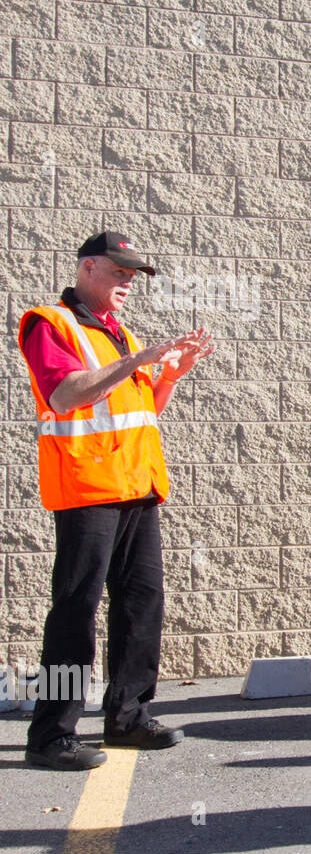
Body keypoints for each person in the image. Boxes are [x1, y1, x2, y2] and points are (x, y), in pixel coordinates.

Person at [17, 232, 213, 770]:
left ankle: (128, 717)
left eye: (133, 275)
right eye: (119, 272)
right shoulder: (50, 324)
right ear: (87, 269)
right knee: (75, 611)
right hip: (87, 490)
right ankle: (51, 735)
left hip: (138, 488)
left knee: (142, 604)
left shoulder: (119, 333)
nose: (128, 282)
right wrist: (139, 359)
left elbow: (142, 411)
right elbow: (65, 395)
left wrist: (168, 374)